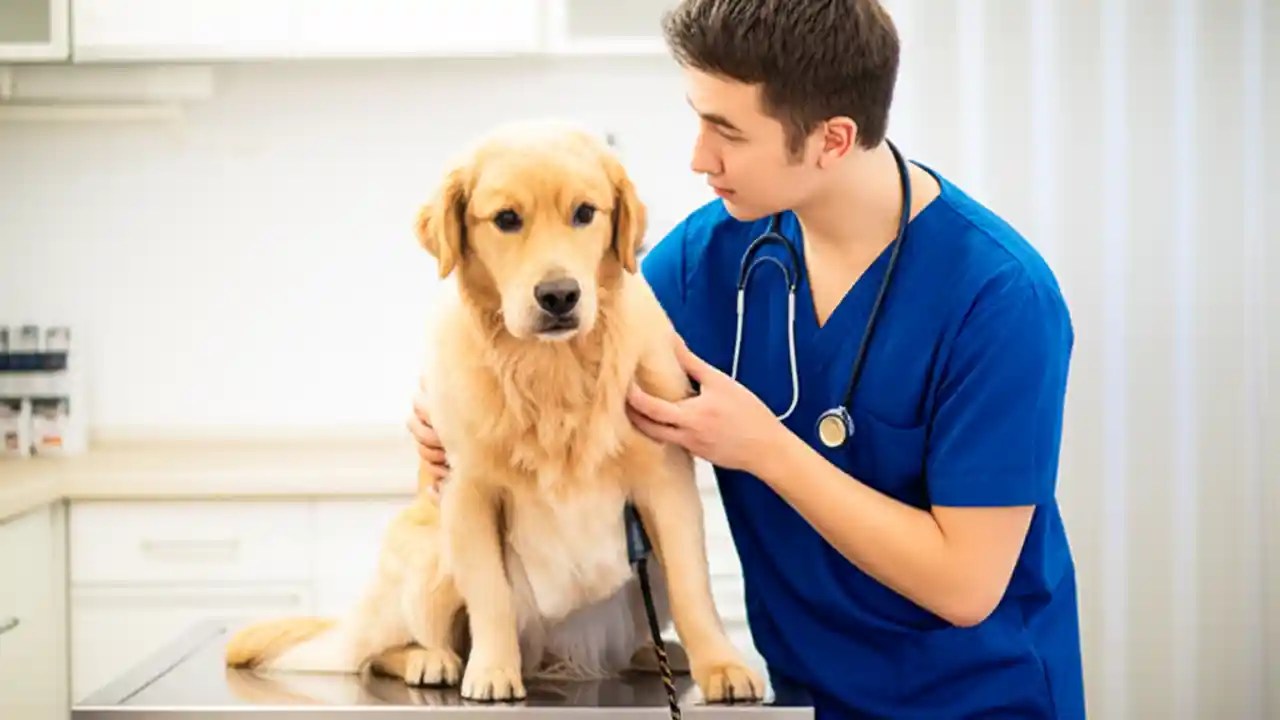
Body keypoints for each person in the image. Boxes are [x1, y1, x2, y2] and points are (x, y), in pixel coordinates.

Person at [408, 1, 1086, 717]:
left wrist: (766, 449)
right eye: (699, 119)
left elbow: (966, 584)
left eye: (727, 131)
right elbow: (563, 331)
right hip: (799, 698)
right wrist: (439, 420)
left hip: (981, 703)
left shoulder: (999, 298)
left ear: (832, 140)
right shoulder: (712, 260)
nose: (699, 157)